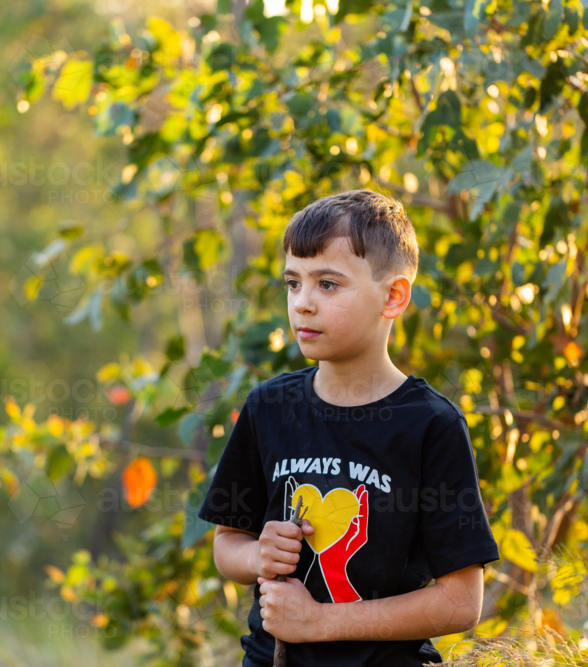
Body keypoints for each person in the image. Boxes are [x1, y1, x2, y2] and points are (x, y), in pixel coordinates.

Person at [197, 189, 500, 666]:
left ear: (393, 296)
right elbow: (227, 544)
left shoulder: (431, 426)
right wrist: (258, 556)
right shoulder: (269, 407)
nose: (303, 304)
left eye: (329, 284)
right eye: (293, 283)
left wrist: (319, 623)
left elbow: (461, 602)